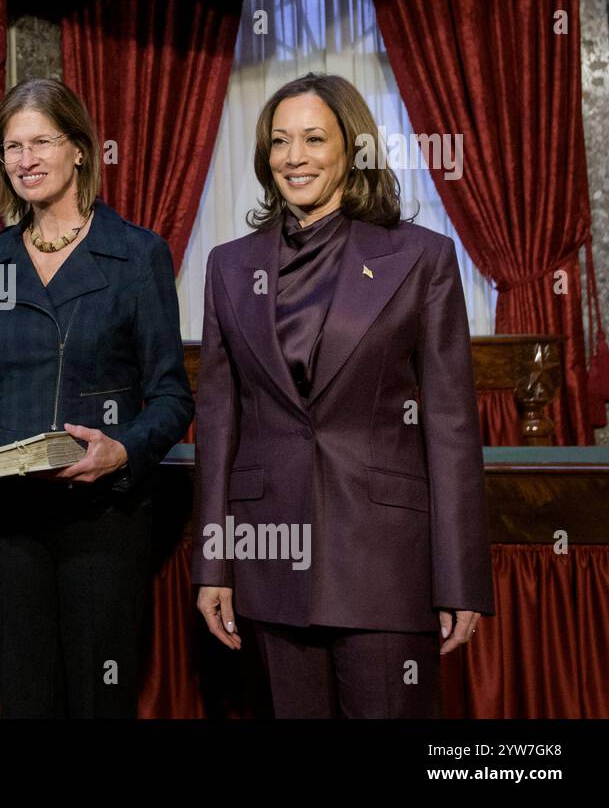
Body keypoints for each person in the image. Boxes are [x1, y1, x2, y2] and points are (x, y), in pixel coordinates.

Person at [192, 72, 494, 718]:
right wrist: (213, 564)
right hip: (269, 559)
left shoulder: (422, 257)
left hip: (384, 564)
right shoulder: (228, 266)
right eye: (279, 141)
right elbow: (218, 424)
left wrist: (460, 577)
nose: (293, 157)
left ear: (352, 148)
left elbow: (450, 428)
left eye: (312, 138)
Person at [0, 77, 194, 718]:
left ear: (79, 149)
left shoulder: (137, 254)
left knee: (101, 698)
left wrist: (120, 450)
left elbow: (172, 398)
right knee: (25, 698)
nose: (25, 159)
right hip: (5, 524)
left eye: (41, 140)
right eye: (11, 147)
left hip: (101, 520)